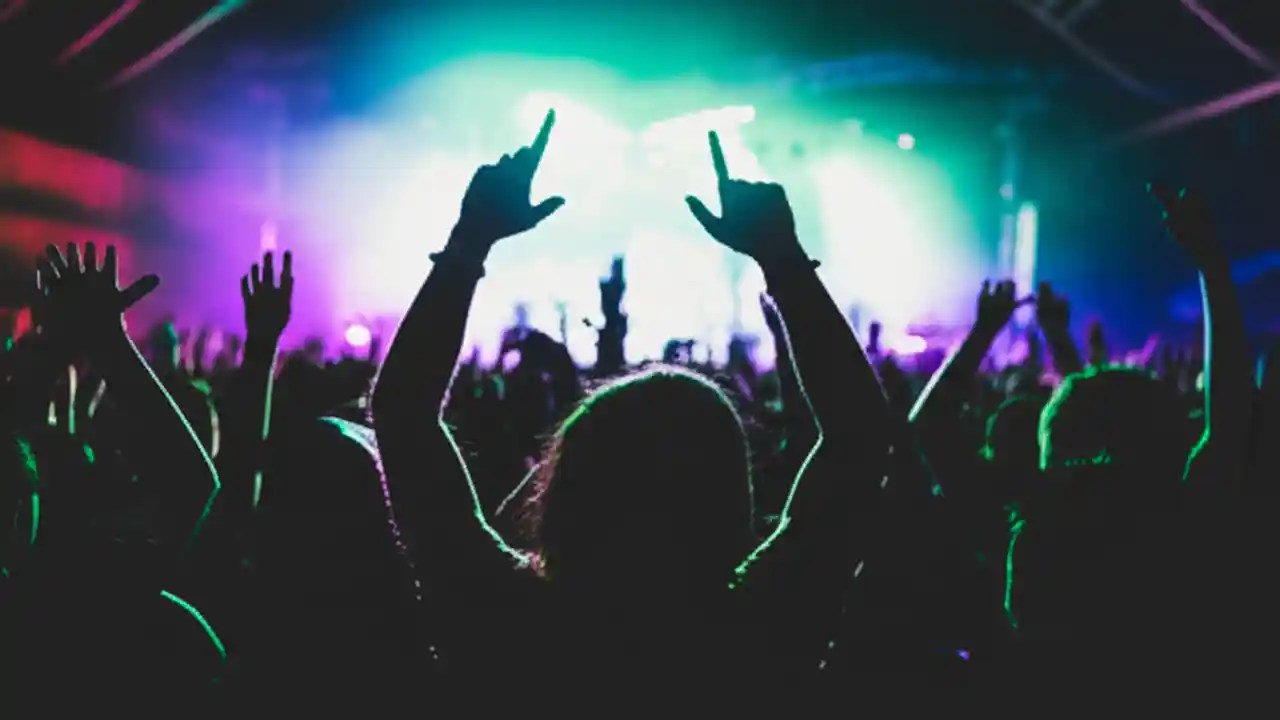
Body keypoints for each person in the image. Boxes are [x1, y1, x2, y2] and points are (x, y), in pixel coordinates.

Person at [374, 113, 891, 687]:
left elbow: (401, 415)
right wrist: (783, 260)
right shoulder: (762, 625)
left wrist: (468, 242)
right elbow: (860, 435)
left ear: (567, 483)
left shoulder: (500, 615)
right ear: (727, 494)